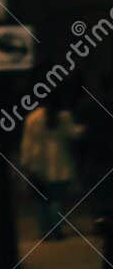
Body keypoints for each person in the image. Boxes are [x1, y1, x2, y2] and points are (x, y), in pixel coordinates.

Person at [20, 94, 84, 240]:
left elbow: (27, 142)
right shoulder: (64, 117)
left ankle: (45, 231)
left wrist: (26, 162)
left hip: (38, 164)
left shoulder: (33, 118)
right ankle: (56, 230)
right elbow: (73, 134)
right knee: (56, 199)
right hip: (60, 163)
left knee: (41, 201)